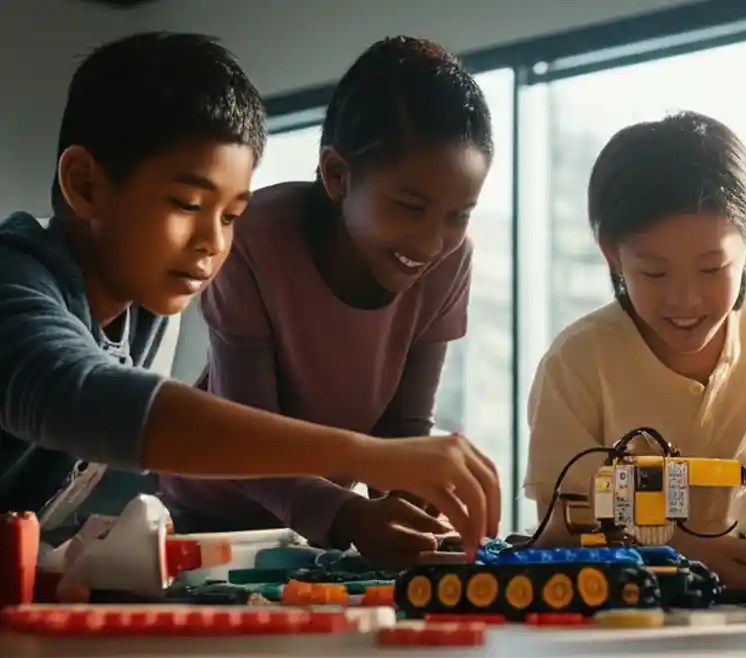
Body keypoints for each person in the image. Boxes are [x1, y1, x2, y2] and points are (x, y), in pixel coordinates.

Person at [0, 32, 497, 560]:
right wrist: (367, 456)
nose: (214, 243)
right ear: (86, 184)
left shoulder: (140, 305)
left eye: (232, 215)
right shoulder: (12, 282)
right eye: (188, 204)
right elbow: (85, 398)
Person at [158, 37, 495, 568]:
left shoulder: (449, 262)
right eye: (409, 207)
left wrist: (417, 517)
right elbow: (248, 442)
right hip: (204, 516)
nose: (432, 244)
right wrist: (353, 517)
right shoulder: (253, 238)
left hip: (321, 524)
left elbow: (404, 432)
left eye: (459, 215)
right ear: (338, 175)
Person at [523, 112, 746, 589]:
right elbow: (558, 529)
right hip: (619, 606)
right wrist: (682, 551)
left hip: (737, 603)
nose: (685, 300)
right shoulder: (577, 361)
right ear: (613, 254)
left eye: (712, 269)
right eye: (654, 273)